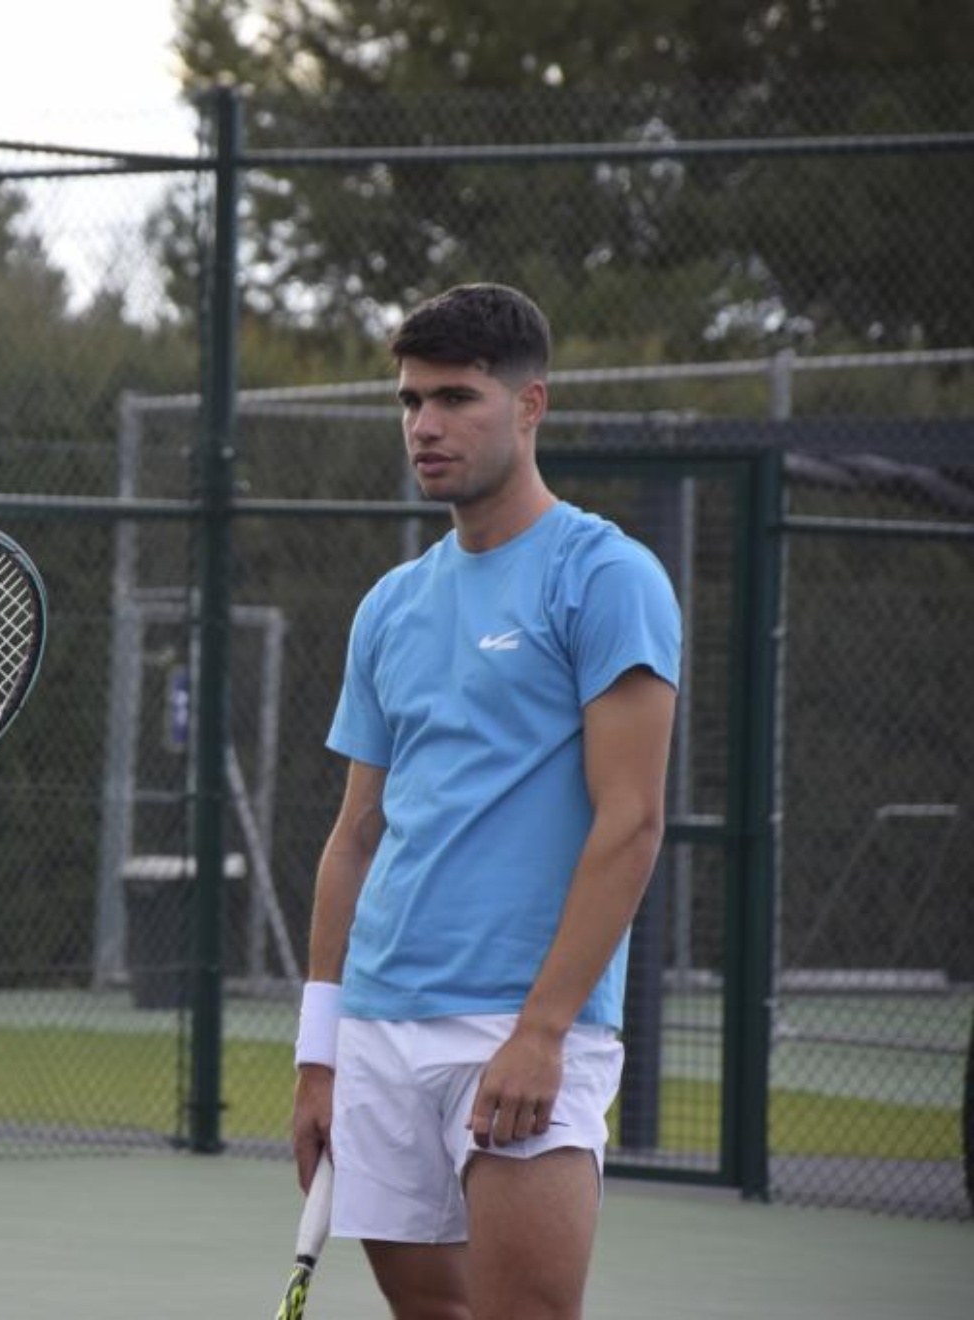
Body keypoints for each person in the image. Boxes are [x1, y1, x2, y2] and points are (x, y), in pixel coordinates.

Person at [289, 284, 681, 1320]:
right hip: (377, 1025)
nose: (426, 425)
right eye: (411, 401)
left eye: (457, 398)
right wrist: (318, 1053)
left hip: (523, 1025)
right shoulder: (390, 605)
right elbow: (354, 838)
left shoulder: (607, 578)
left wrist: (544, 1031)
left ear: (530, 404)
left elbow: (632, 820)